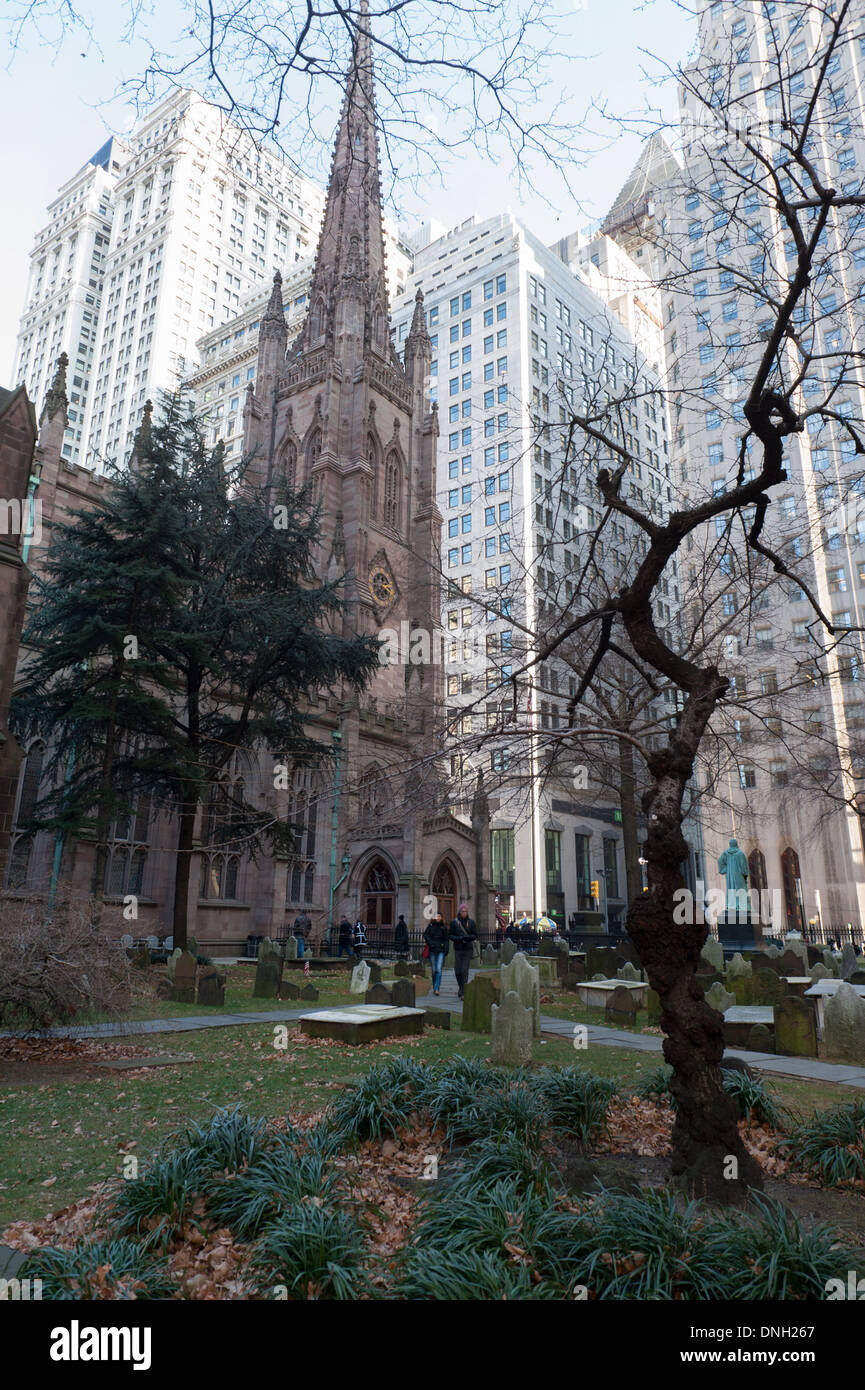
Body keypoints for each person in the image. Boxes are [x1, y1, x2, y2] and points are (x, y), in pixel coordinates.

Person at [449, 901, 478, 1001]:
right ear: (459, 911)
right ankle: (461, 987)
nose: (464, 913)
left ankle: (464, 992)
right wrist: (459, 938)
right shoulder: (454, 922)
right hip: (458, 948)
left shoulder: (471, 922)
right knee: (458, 971)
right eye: (462, 911)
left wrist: (468, 937)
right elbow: (451, 935)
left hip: (467, 949)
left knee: (464, 971)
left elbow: (475, 935)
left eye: (465, 911)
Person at [423, 911, 448, 996]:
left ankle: (437, 988)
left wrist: (446, 949)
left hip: (440, 950)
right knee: (434, 970)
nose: (438, 918)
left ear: (441, 918)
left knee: (438, 969)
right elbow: (425, 935)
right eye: (436, 916)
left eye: (439, 916)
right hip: (432, 950)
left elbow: (446, 939)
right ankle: (434, 987)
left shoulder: (443, 927)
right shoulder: (430, 926)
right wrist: (431, 943)